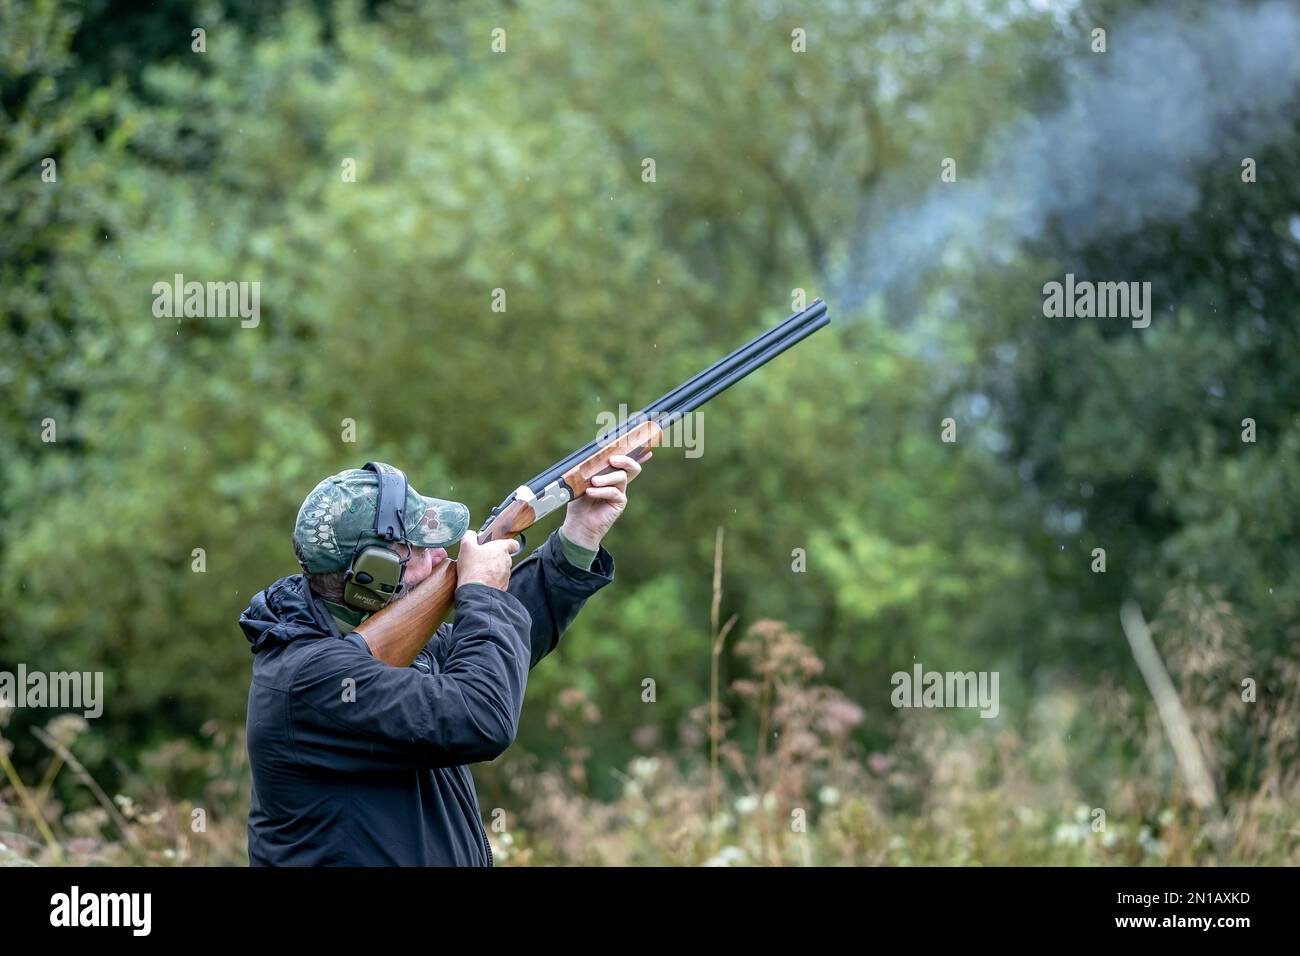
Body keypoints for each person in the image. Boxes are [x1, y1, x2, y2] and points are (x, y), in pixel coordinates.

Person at [239, 453, 646, 865]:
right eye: (418, 547)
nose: (440, 556)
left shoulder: (383, 651)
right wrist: (483, 592)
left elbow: (497, 651)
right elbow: (481, 715)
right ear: (373, 574)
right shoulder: (313, 679)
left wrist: (577, 538)